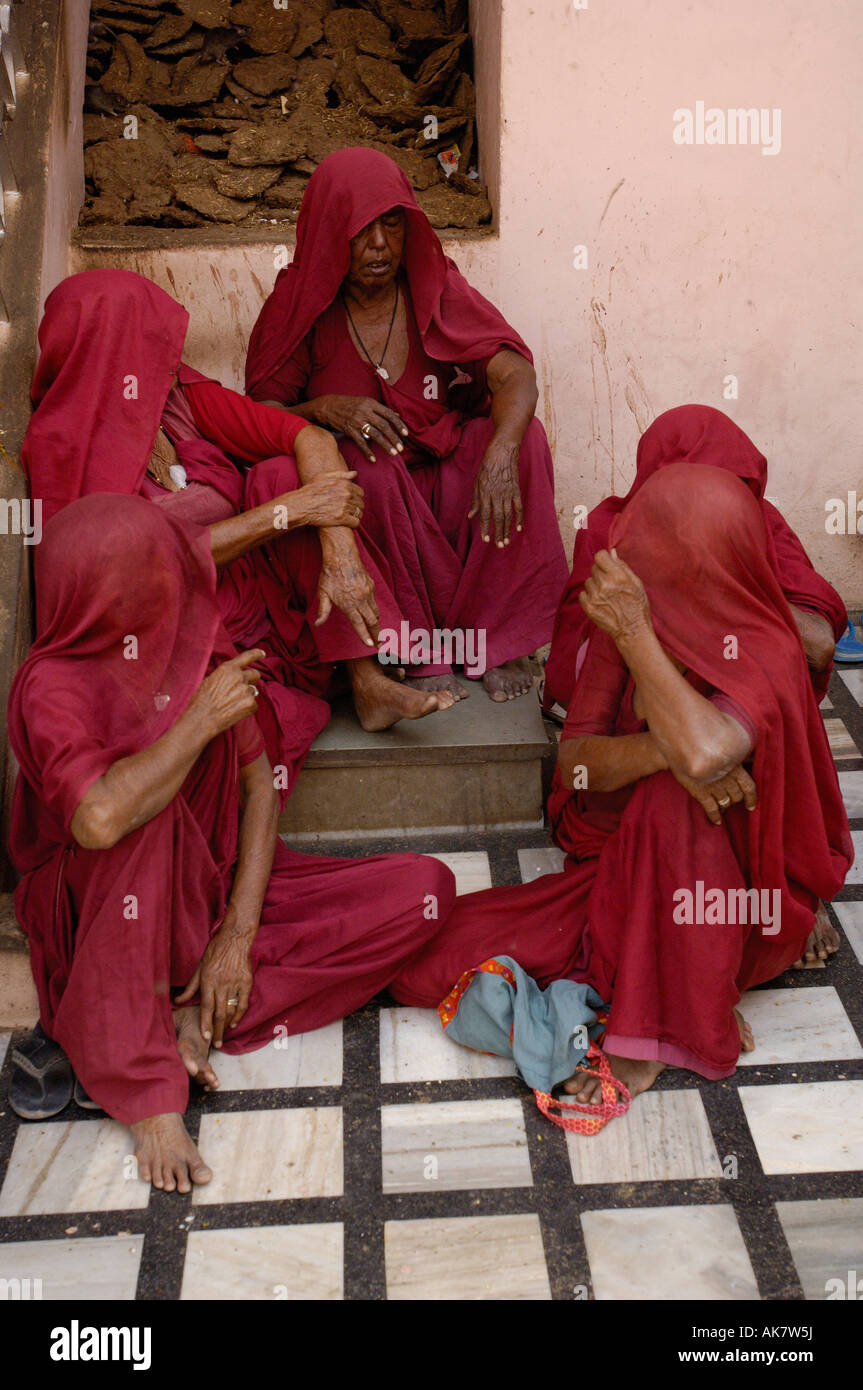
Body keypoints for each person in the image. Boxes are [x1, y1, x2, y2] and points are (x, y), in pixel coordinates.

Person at [7, 495, 456, 1191]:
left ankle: (188, 1010)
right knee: (138, 812)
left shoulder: (190, 643)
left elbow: (257, 788)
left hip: (209, 896)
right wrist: (194, 725)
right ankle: (147, 1085)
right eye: (154, 576)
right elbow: (97, 820)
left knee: (423, 891)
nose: (172, 588)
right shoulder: (51, 687)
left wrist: (236, 938)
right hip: (106, 917)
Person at [390, 466, 852, 1108]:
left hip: (749, 902)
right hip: (636, 870)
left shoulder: (762, 645)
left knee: (684, 800)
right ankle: (677, 984)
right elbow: (577, 764)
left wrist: (643, 649)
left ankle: (662, 1026)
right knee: (423, 958)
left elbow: (709, 750)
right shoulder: (629, 617)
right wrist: (664, 743)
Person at [21, 272, 453, 800]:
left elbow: (306, 434)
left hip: (261, 590)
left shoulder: (174, 397)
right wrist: (286, 513)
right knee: (286, 496)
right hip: (176, 627)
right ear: (105, 346)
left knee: (282, 472)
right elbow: (123, 579)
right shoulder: (63, 448)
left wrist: (338, 546)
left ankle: (366, 680)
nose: (164, 354)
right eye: (145, 337)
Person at [245, 146, 569, 704]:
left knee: (524, 440)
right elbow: (256, 421)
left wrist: (499, 452)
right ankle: (413, 648)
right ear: (329, 231)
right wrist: (324, 410)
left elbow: (515, 373)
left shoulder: (432, 283)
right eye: (361, 229)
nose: (379, 245)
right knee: (367, 467)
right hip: (377, 490)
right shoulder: (299, 304)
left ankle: (493, 642)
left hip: (444, 478)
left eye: (392, 225)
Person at [543, 404, 847, 967]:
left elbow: (813, 646)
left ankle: (785, 891)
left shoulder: (745, 523)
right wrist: (669, 741)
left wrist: (735, 592)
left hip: (741, 726)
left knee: (771, 710)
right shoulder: (624, 547)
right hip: (640, 773)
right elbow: (577, 745)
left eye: (723, 489)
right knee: (679, 789)